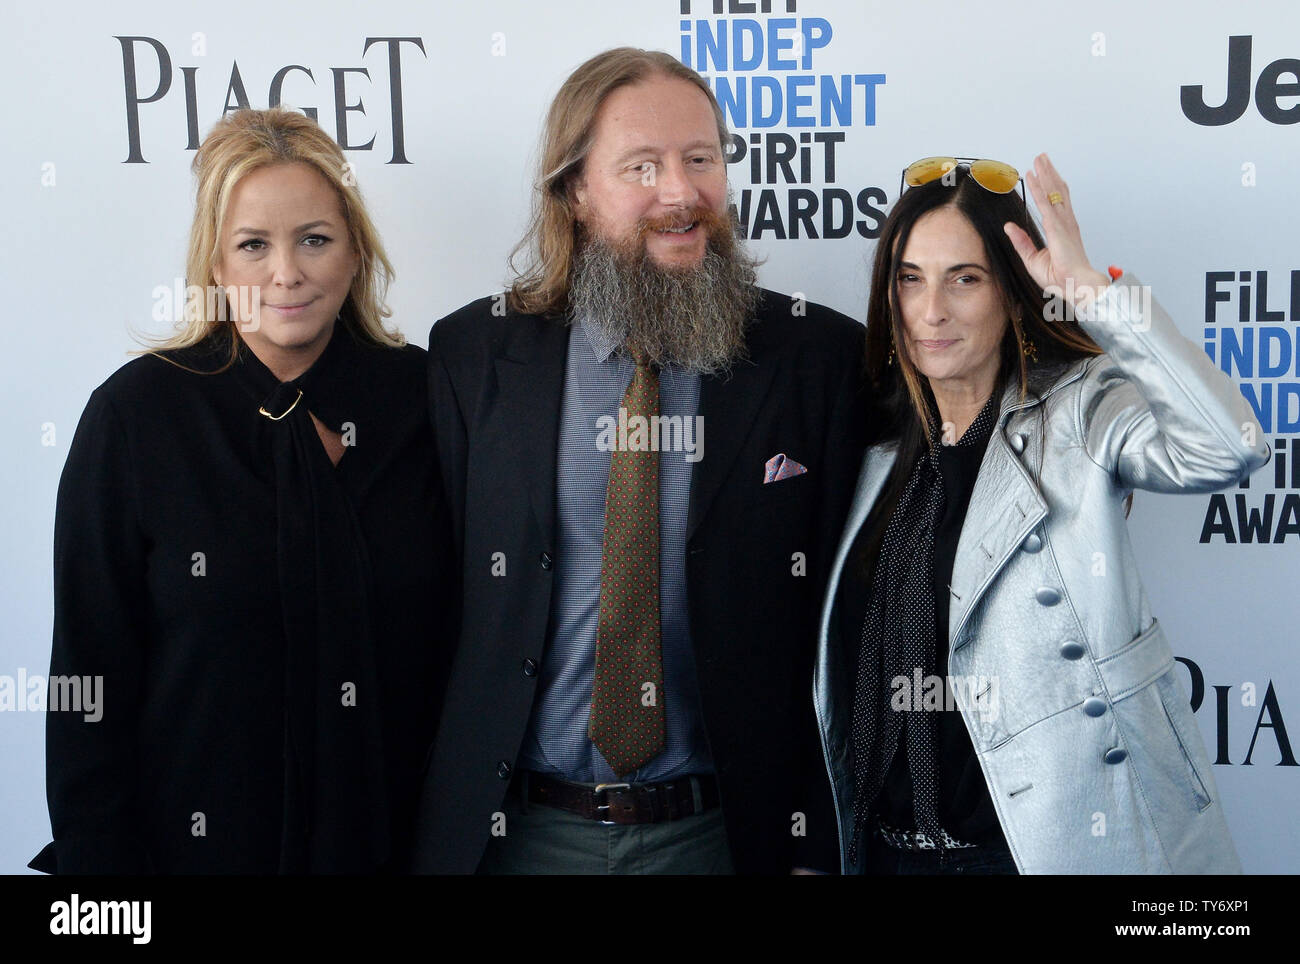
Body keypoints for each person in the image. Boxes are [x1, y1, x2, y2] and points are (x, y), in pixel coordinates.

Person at [414, 47, 866, 875]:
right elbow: (429, 597)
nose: (681, 193)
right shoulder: (472, 354)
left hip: (729, 838)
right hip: (519, 839)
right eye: (642, 166)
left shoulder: (818, 357)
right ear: (576, 192)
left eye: (702, 159)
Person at [814, 154, 1268, 874]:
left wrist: (1094, 296)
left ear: (1013, 292)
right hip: (886, 854)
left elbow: (1227, 449)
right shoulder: (873, 452)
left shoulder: (1079, 418)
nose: (931, 311)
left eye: (964, 278)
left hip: (1036, 852)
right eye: (910, 279)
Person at [30, 107, 451, 874]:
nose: (285, 273)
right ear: (216, 265)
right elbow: (87, 681)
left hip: (398, 850)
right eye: (253, 245)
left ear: (356, 251)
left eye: (315, 239)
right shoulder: (135, 417)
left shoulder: (426, 400)